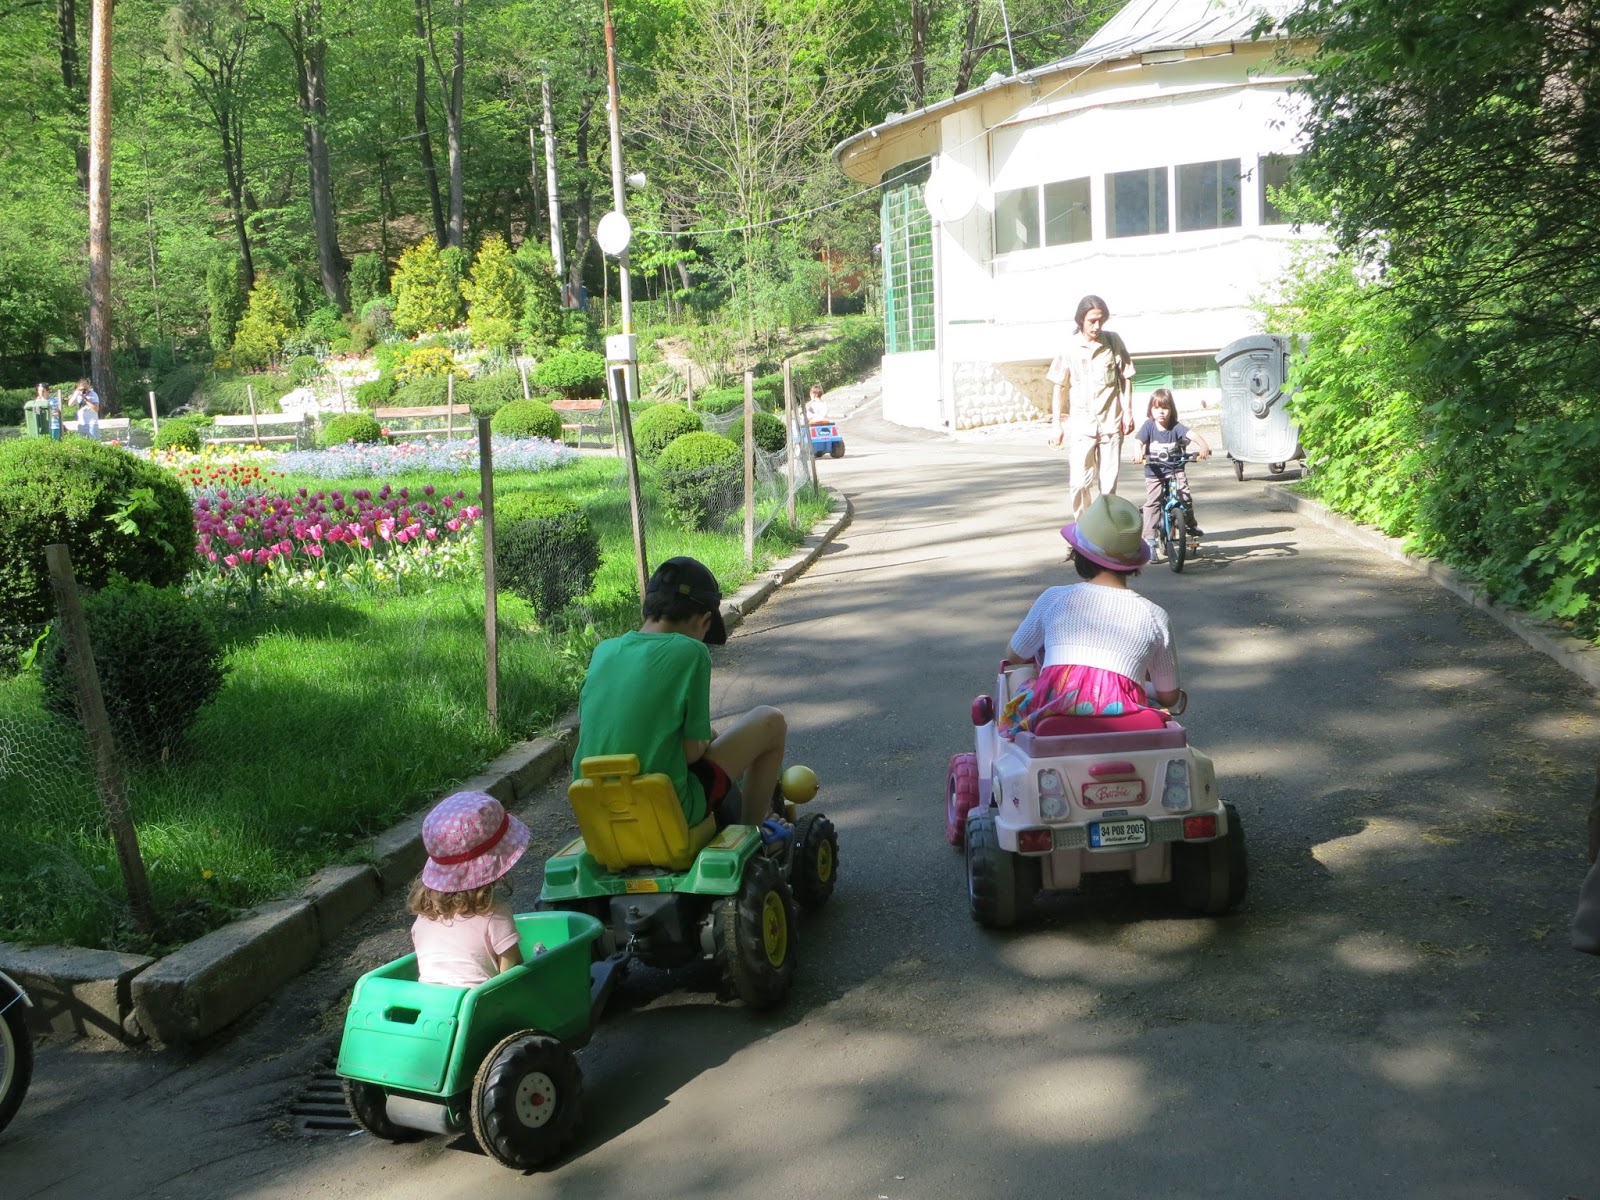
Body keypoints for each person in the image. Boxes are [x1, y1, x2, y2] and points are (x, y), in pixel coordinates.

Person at [573, 556, 787, 829]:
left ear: (645, 611)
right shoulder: (691, 652)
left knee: (709, 736)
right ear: (705, 621)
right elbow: (691, 753)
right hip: (669, 809)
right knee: (771, 721)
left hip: (597, 811)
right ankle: (754, 832)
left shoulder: (603, 652)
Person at [999, 494, 1182, 738]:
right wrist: (1142, 684)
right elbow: (1170, 696)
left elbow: (1014, 655)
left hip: (1052, 718)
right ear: (1134, 563)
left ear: (1078, 555)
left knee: (1020, 673)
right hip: (1125, 722)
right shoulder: (1156, 616)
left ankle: (1012, 744)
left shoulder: (1054, 598)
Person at [409, 791, 532, 987]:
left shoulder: (423, 920)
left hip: (432, 1006)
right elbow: (512, 971)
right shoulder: (495, 915)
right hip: (480, 1008)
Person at [1047, 294, 1135, 520]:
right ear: (1080, 320)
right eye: (1092, 321)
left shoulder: (1113, 342)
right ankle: (1082, 534)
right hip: (1082, 425)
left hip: (1110, 424)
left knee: (1108, 489)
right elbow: (1059, 386)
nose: (1097, 326)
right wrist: (1056, 425)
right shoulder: (1068, 347)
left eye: (1100, 320)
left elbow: (1127, 377)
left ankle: (1105, 535)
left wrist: (1128, 411)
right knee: (1079, 483)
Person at [1133, 388, 1212, 560]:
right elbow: (1138, 441)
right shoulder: (1148, 426)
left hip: (1175, 469)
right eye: (1156, 408)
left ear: (1172, 410)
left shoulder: (1176, 426)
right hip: (1154, 471)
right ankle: (1150, 538)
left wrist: (1203, 445)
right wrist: (1138, 451)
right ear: (1150, 410)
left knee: (1185, 497)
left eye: (1165, 408)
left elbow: (1192, 434)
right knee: (1153, 502)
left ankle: (1190, 525)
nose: (1161, 412)